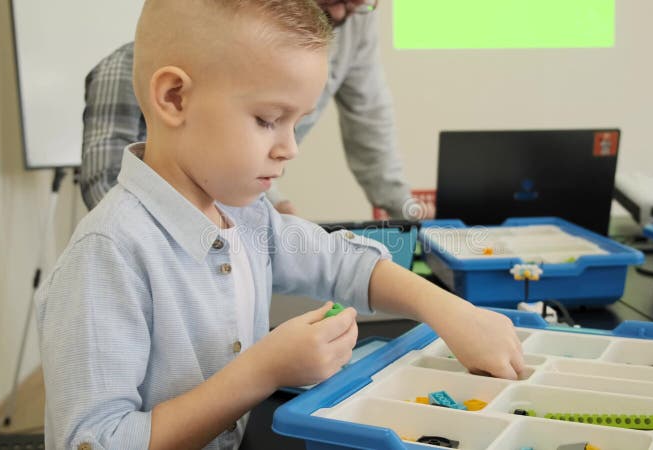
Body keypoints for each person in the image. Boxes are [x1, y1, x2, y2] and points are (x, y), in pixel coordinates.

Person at [37, 1, 524, 448]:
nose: (290, 148)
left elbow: (341, 262)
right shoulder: (108, 255)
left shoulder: (248, 214)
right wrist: (264, 370)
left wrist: (453, 312)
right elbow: (95, 440)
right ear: (175, 98)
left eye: (297, 122)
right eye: (269, 119)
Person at [80, 0, 434, 219]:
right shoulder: (116, 243)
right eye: (267, 119)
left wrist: (405, 206)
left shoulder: (254, 222)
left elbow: (370, 117)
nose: (342, 15)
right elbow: (108, 192)